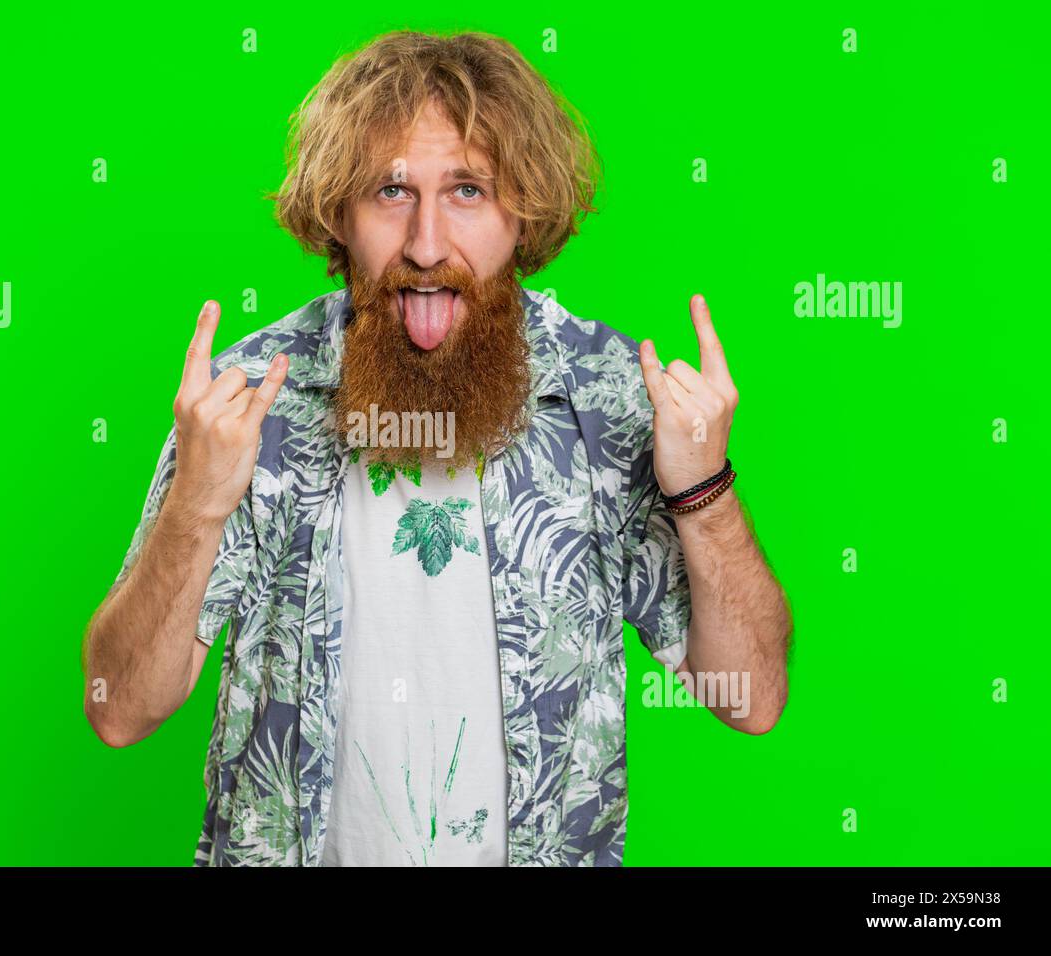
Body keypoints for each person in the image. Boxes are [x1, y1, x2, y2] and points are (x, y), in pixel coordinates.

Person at [81, 30, 792, 867]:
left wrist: (703, 487)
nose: (424, 246)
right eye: (390, 191)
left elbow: (751, 699)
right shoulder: (245, 405)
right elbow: (120, 709)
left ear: (523, 209)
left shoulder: (608, 400)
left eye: (467, 190)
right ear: (337, 213)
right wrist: (197, 506)